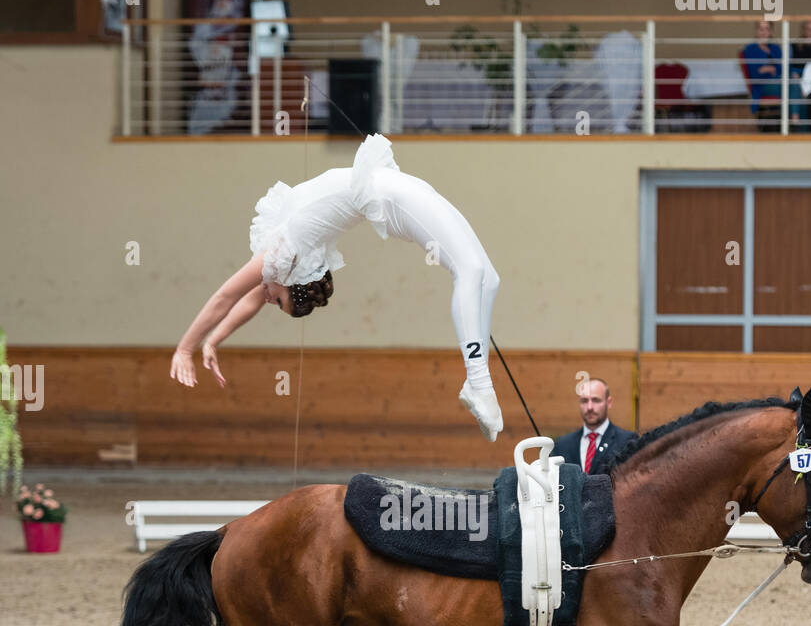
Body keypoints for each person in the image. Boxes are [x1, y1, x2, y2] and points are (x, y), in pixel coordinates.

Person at [169, 133, 504, 440]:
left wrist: (190, 347)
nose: (266, 298)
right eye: (277, 301)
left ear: (290, 282)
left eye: (276, 301)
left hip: (396, 191)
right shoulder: (290, 255)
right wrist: (213, 341)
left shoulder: (283, 251)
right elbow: (247, 301)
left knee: (488, 278)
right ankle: (478, 383)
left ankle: (478, 382)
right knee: (471, 270)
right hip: (394, 198)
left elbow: (227, 296)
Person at [552, 378, 637, 472]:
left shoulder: (627, 441)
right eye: (584, 401)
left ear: (608, 403)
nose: (589, 407)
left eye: (596, 400)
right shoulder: (562, 444)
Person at [740, 19, 804, 134]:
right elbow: (755, 74)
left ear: (771, 32)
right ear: (756, 31)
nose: (764, 32)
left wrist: (769, 68)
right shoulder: (751, 49)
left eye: (767, 29)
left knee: (793, 81)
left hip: (779, 82)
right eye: (761, 29)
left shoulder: (775, 48)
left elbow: (785, 67)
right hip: (762, 86)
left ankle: (793, 121)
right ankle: (795, 121)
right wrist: (775, 69)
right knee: (794, 84)